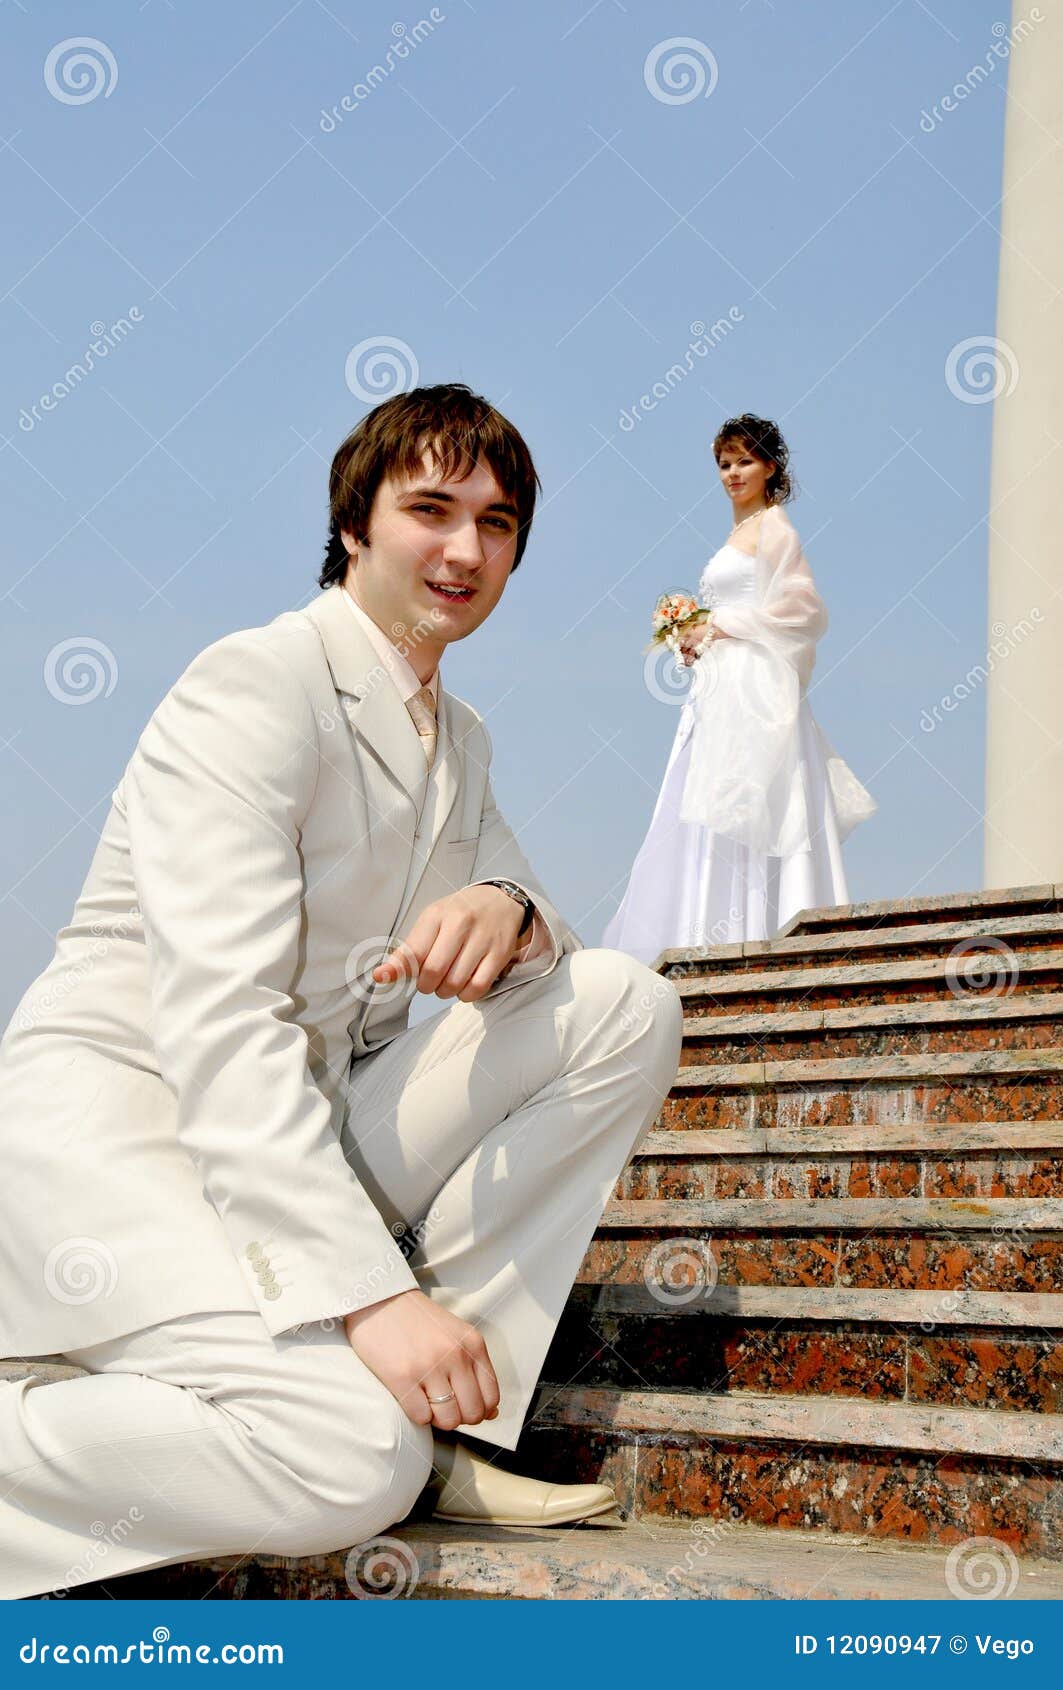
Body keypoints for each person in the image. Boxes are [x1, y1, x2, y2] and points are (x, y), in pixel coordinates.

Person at [0, 383, 683, 1599]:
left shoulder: (455, 736)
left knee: (621, 1002)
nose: (467, 549)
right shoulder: (255, 685)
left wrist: (510, 912)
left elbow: (538, 917)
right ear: (354, 527)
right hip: (125, 1125)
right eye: (431, 509)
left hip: (304, 1123)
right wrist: (371, 1300)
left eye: (499, 521)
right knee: (341, 1454)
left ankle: (456, 1425)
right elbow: (218, 1026)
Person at [603, 413, 876, 962]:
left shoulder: (776, 528)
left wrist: (721, 625)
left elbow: (804, 610)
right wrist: (694, 638)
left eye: (744, 461)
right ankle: (709, 929)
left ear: (770, 466)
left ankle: (757, 933)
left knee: (752, 797)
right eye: (724, 463)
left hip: (755, 689)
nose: (732, 473)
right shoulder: (738, 532)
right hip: (720, 687)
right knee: (705, 799)